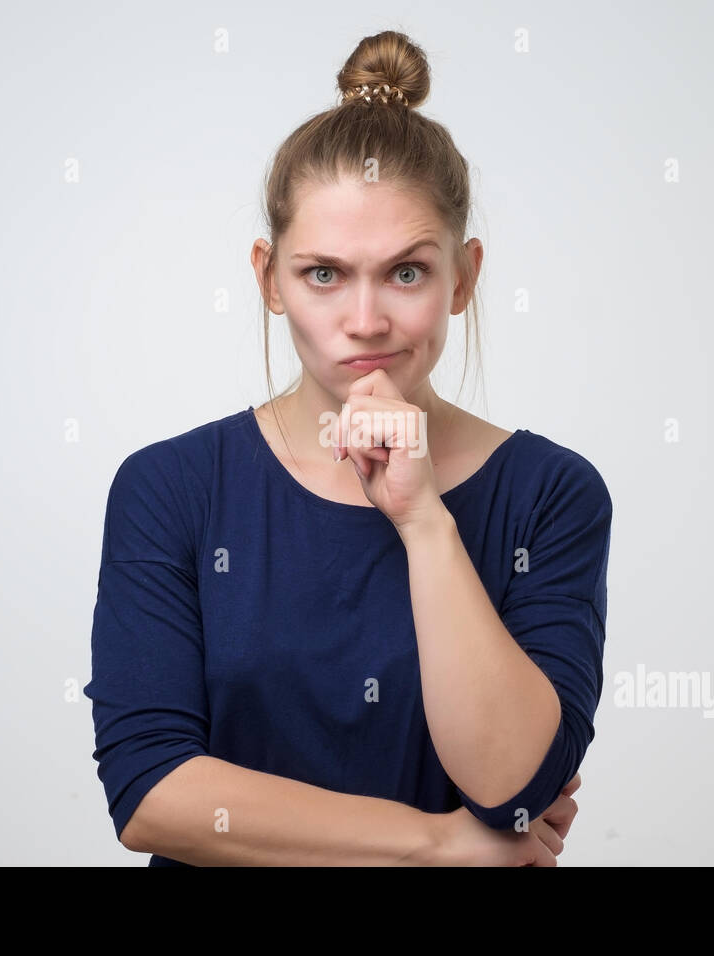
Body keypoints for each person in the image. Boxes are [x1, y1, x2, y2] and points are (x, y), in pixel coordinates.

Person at [84, 30, 611, 866]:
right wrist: (435, 845)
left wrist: (423, 518)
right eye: (323, 274)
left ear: (463, 278)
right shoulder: (172, 488)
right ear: (268, 279)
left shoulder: (550, 494)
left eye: (406, 273)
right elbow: (152, 791)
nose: (365, 320)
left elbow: (511, 786)